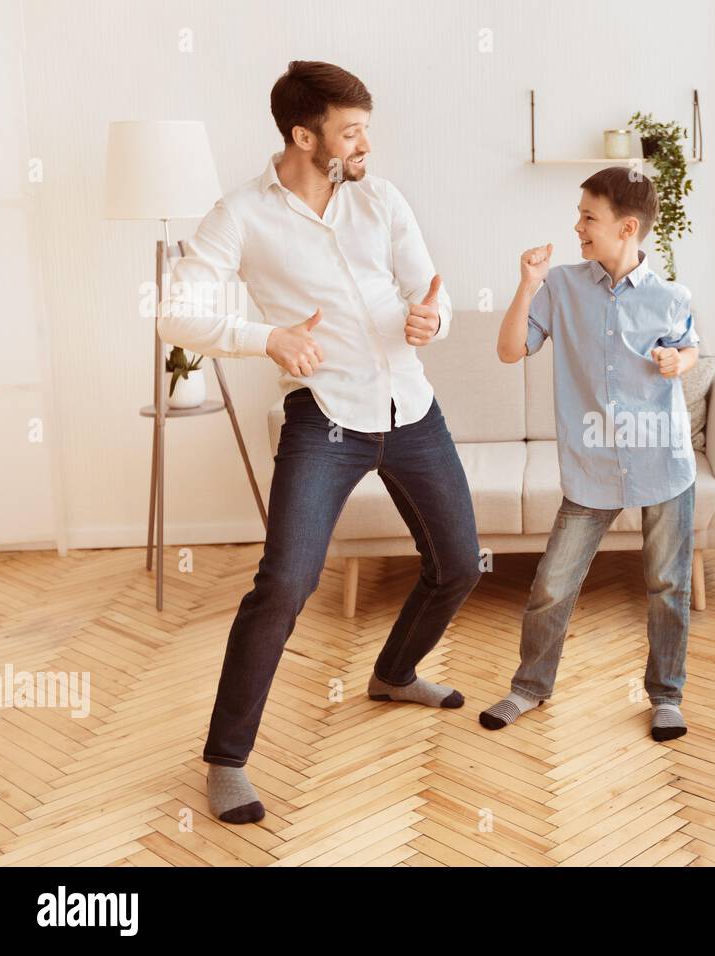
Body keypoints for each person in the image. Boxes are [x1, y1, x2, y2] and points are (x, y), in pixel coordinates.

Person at [160, 61, 481, 825]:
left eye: (367, 129)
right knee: (284, 584)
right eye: (352, 132)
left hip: (411, 407)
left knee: (460, 565)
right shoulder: (240, 214)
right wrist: (265, 337)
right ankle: (226, 762)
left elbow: (431, 296)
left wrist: (432, 321)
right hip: (325, 417)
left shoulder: (382, 198)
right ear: (305, 137)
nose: (366, 144)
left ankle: (395, 673)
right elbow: (175, 314)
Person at [484, 166, 700, 742]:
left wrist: (679, 361)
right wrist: (527, 283)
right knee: (553, 584)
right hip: (592, 464)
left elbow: (689, 349)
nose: (577, 226)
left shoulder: (670, 296)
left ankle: (666, 698)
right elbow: (510, 350)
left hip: (663, 460)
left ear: (626, 227)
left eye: (588, 217)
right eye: (579, 215)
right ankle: (529, 687)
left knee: (669, 587)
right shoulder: (561, 286)